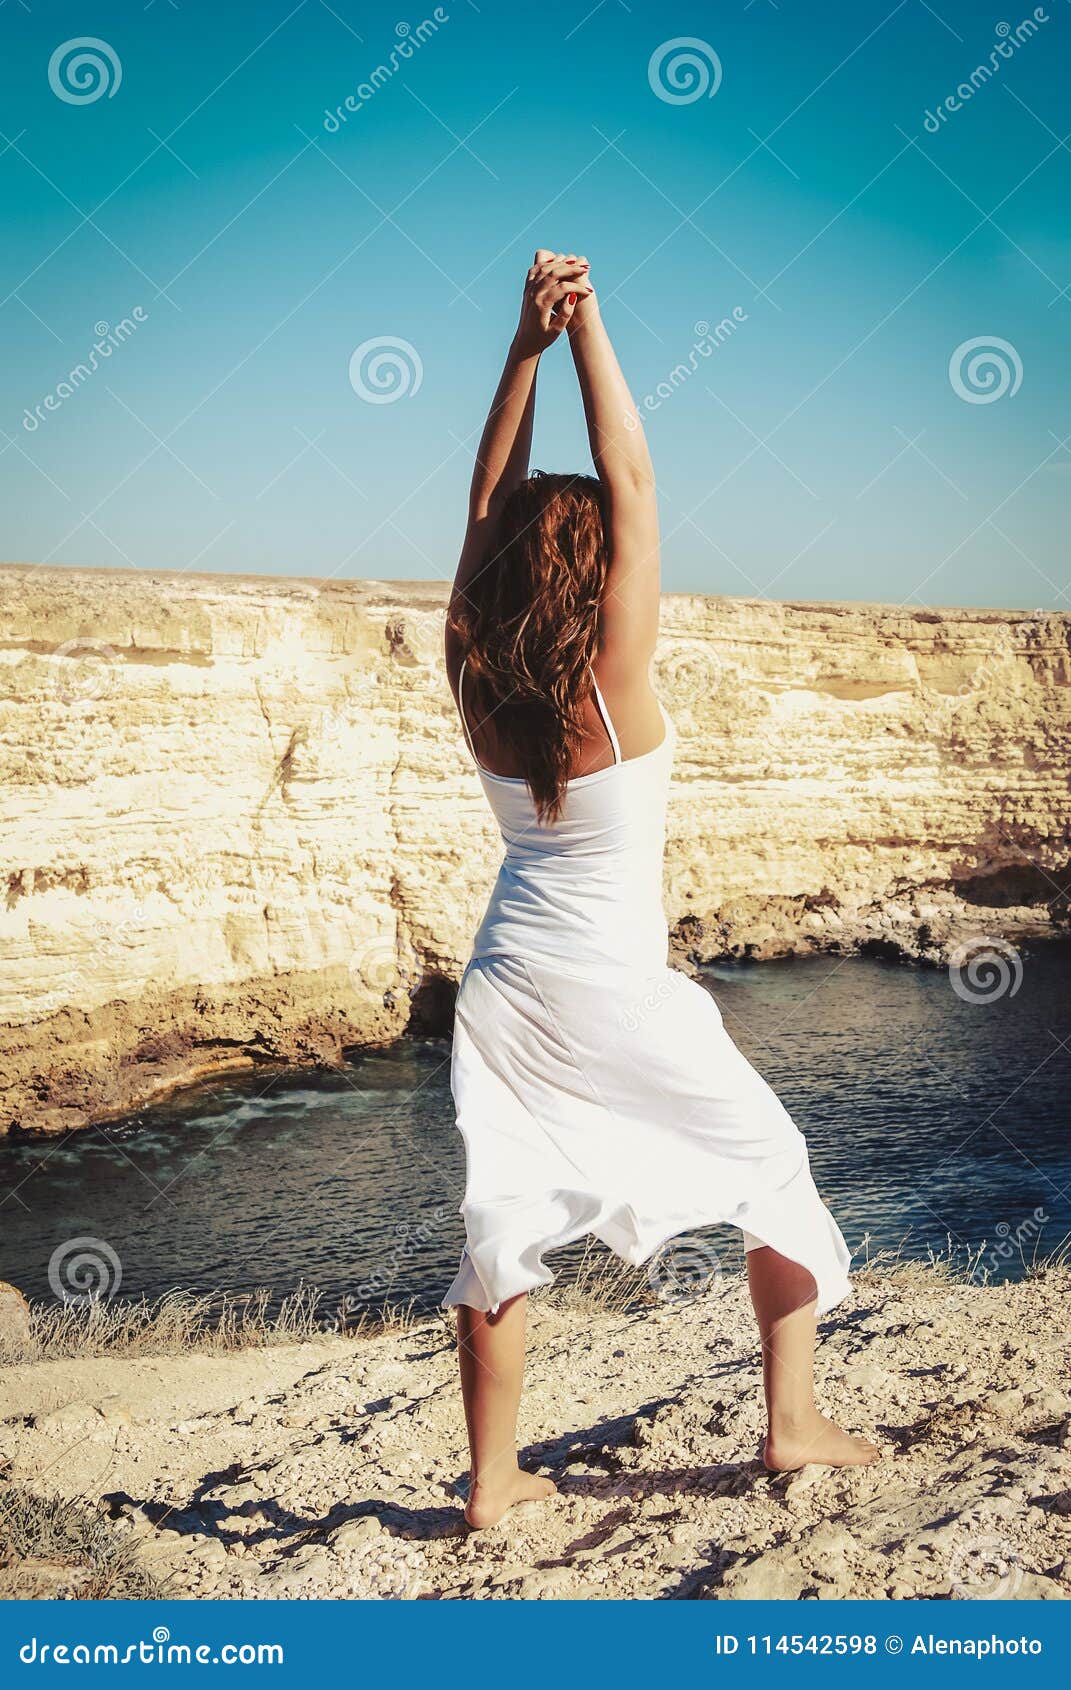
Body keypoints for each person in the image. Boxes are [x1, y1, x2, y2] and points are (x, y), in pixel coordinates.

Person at [443, 250, 879, 1531]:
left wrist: (522, 343)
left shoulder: (480, 683)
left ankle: (489, 1483)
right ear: (595, 580)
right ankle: (791, 1425)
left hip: (506, 983)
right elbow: (630, 477)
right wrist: (586, 328)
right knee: (774, 1169)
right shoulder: (609, 690)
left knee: (503, 1219)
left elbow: (485, 506)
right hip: (617, 987)